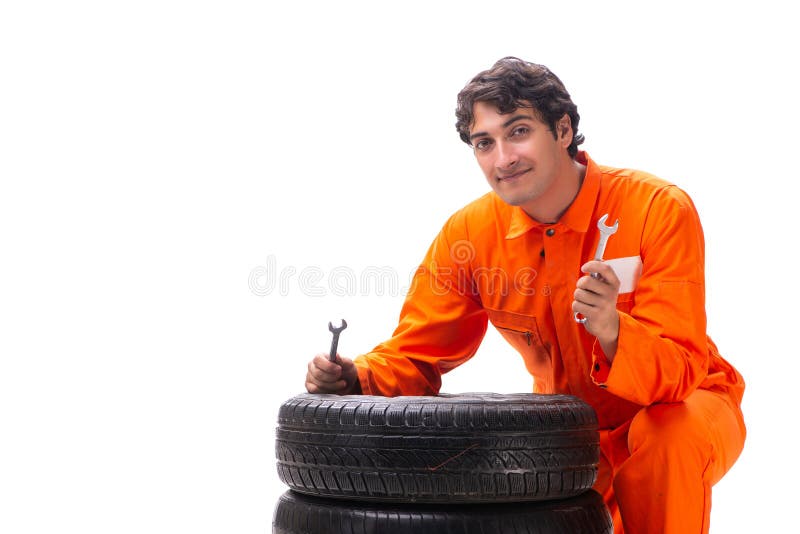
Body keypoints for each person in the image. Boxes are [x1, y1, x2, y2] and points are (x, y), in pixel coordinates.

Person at [304, 57, 746, 534]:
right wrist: (357, 378)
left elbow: (680, 368)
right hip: (573, 432)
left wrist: (616, 332)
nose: (503, 159)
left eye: (518, 132)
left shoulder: (657, 209)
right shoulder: (469, 234)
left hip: (686, 406)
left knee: (665, 438)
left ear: (562, 129)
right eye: (484, 143)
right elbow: (418, 352)